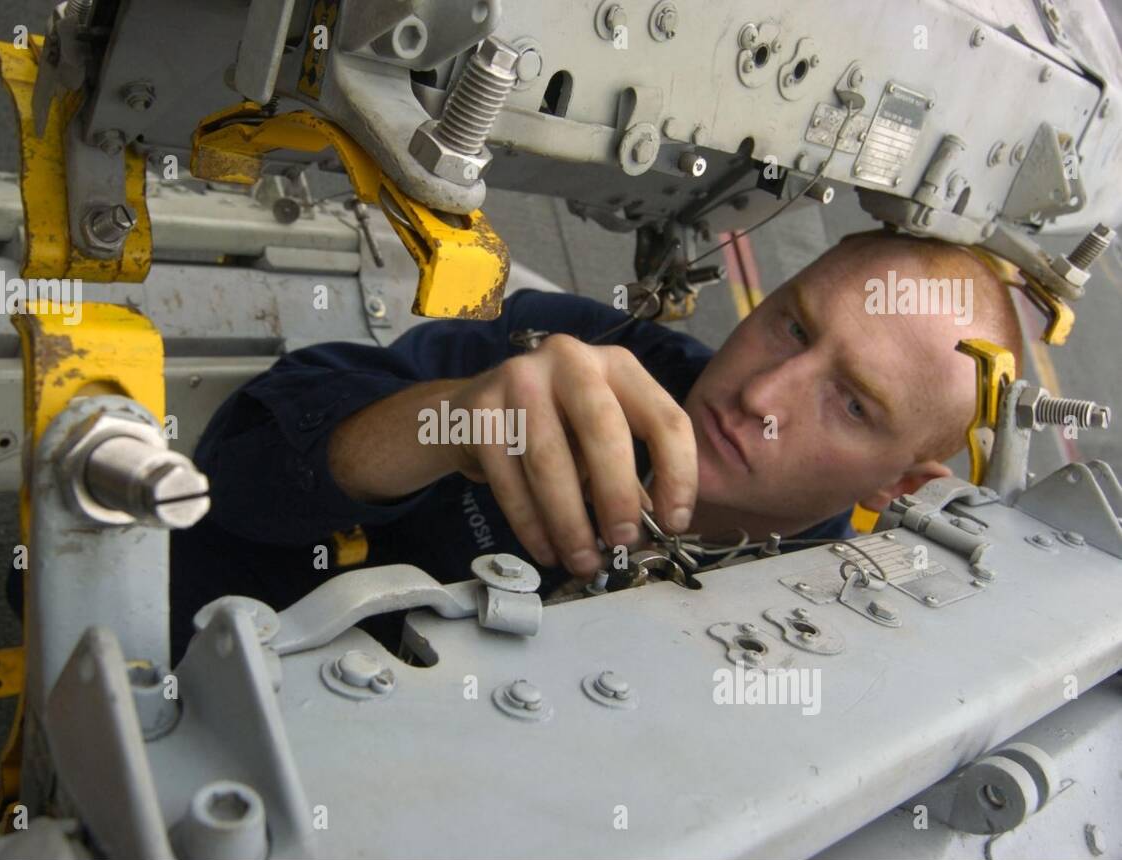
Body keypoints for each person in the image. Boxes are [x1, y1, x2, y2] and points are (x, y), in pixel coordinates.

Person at [169, 229, 1022, 659]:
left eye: (853, 404)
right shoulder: (574, 348)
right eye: (792, 327)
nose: (763, 396)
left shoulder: (822, 632)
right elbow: (229, 482)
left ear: (898, 490)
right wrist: (449, 424)